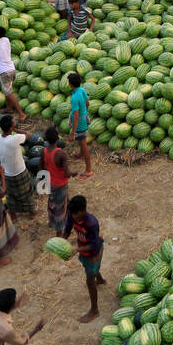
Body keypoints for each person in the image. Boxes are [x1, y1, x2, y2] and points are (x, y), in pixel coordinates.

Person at [63, 194, 107, 323]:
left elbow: (94, 245)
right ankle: (100, 279)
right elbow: (67, 230)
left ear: (83, 210)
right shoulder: (72, 215)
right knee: (88, 268)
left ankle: (94, 310)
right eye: (73, 214)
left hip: (93, 253)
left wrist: (76, 250)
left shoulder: (92, 223)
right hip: (84, 250)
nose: (74, 217)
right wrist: (60, 242)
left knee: (89, 280)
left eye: (76, 214)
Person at [67, 72, 93, 179]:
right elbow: (88, 103)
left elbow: (76, 116)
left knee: (83, 143)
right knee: (81, 140)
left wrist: (73, 132)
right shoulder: (82, 90)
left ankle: (88, 170)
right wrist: (84, 112)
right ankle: (80, 154)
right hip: (85, 118)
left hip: (79, 124)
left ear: (70, 85)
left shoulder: (74, 98)